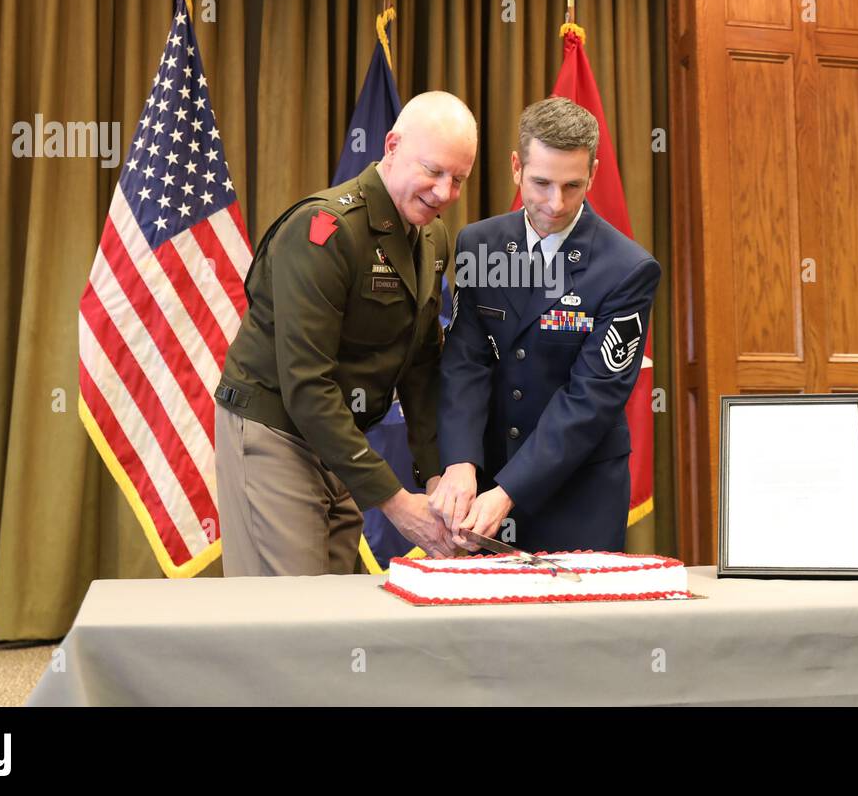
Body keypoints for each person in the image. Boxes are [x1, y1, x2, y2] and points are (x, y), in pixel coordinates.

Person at [214, 91, 477, 576]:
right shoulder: (325, 231)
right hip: (277, 429)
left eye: (457, 179)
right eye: (433, 171)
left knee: (334, 609)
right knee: (287, 616)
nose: (444, 192)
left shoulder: (433, 237)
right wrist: (398, 504)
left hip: (340, 437)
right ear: (392, 145)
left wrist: (437, 474)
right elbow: (306, 384)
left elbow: (421, 366)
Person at [431, 96, 660, 553]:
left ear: (593, 174)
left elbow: (590, 399)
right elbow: (465, 361)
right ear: (516, 167)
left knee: (575, 623)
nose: (555, 203)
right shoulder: (479, 244)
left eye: (573, 186)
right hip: (485, 479)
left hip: (579, 492)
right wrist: (460, 461)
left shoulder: (627, 268)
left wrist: (510, 491)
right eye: (541, 183)